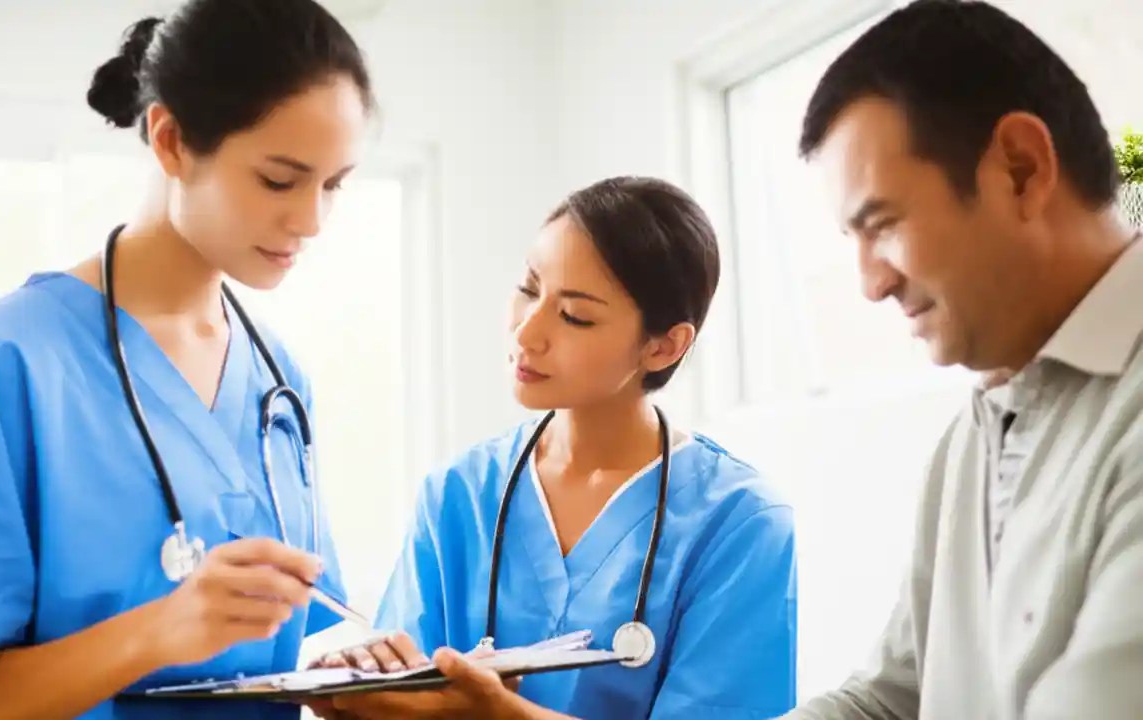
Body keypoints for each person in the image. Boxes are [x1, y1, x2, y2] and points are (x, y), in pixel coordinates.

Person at [0, 1, 373, 718]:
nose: (312, 221)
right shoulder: (9, 359)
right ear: (171, 139)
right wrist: (162, 630)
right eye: (279, 180)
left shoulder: (277, 378)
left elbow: (300, 632)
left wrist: (347, 664)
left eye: (333, 185)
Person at [312, 177, 799, 719]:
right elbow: (408, 699)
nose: (527, 333)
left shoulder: (740, 522)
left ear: (663, 345)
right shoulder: (461, 495)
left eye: (574, 316)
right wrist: (356, 699)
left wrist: (498, 714)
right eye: (528, 288)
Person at [779, 1, 1143, 718]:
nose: (871, 283)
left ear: (1020, 169)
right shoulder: (970, 441)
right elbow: (890, 701)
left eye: (881, 225)